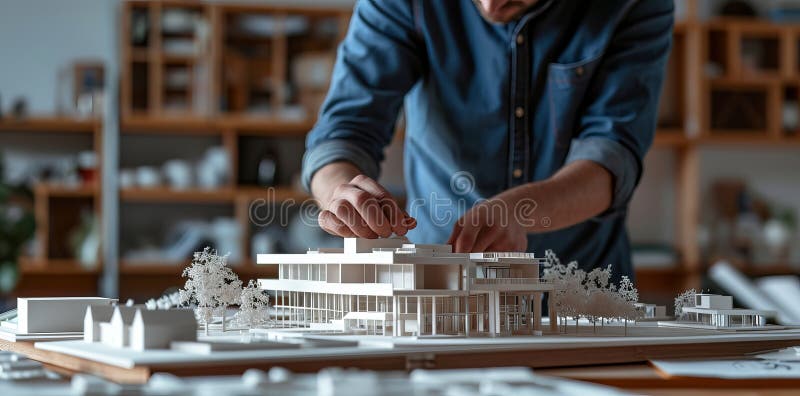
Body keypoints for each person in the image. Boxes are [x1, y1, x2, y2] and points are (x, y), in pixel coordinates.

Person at [302, 0, 673, 282]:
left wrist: (517, 210)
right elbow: (342, 133)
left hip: (580, 289)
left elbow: (611, 160)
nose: (492, 4)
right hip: (440, 287)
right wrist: (341, 192)